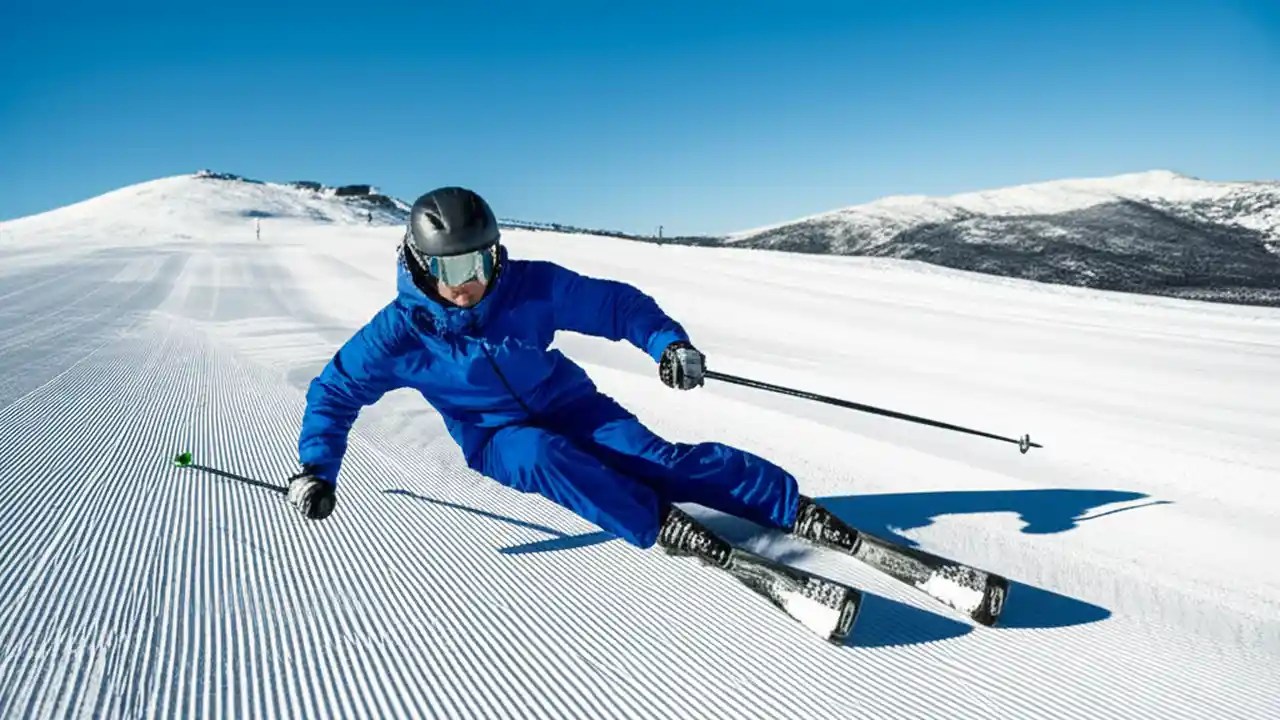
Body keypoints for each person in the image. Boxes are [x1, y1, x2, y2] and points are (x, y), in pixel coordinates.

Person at [288, 187, 854, 565]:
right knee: (543, 455)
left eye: (481, 262)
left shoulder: (527, 285)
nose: (472, 283)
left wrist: (668, 343)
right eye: (453, 269)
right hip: (494, 437)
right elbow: (335, 392)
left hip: (570, 402)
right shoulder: (398, 333)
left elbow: (615, 306)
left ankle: (787, 506)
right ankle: (654, 521)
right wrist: (317, 468)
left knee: (656, 459)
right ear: (420, 264)